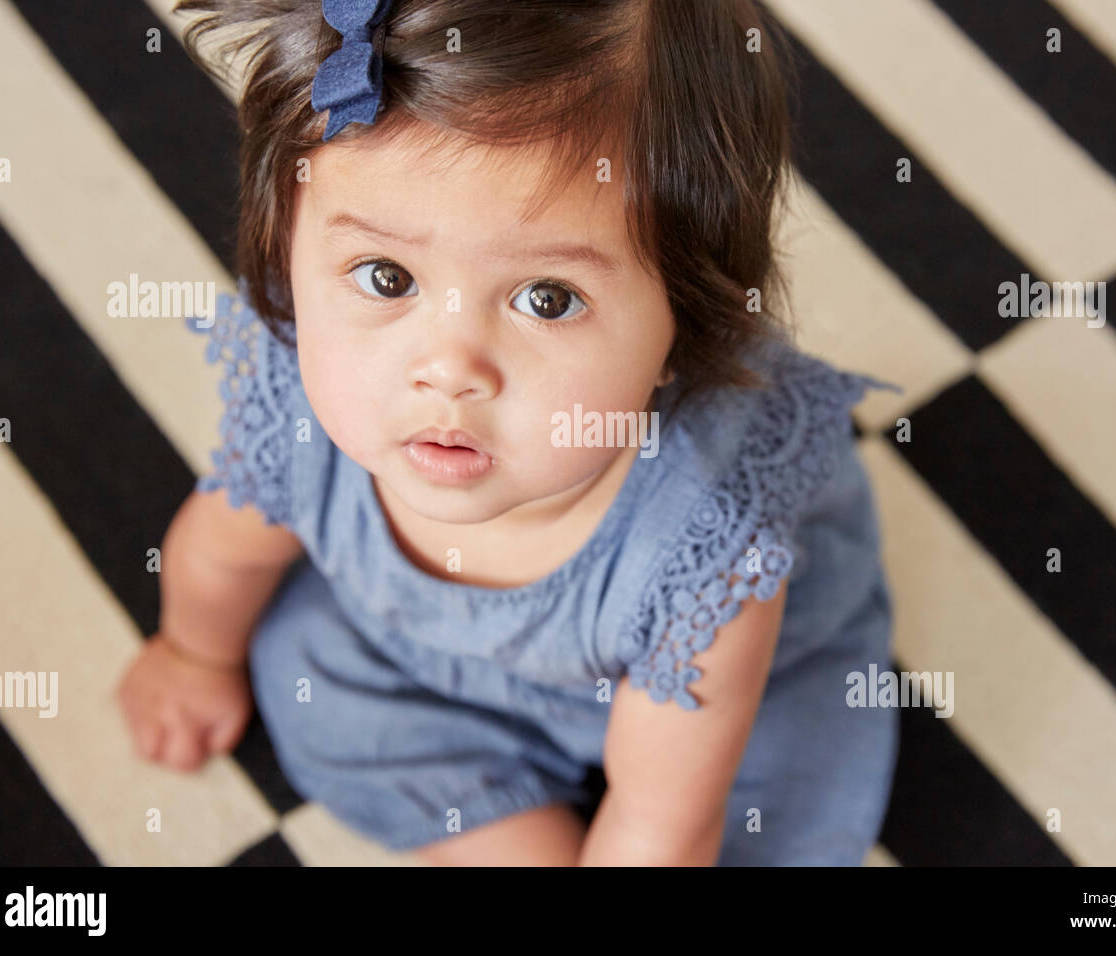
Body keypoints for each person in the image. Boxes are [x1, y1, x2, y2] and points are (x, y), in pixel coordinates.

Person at [116, 0, 903, 866]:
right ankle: (496, 830)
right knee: (311, 666)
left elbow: (663, 825)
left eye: (547, 298)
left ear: (688, 321)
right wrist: (192, 652)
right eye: (387, 277)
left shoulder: (706, 549)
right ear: (285, 255)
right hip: (418, 655)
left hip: (717, 694)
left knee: (781, 788)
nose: (450, 369)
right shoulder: (300, 406)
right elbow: (224, 552)